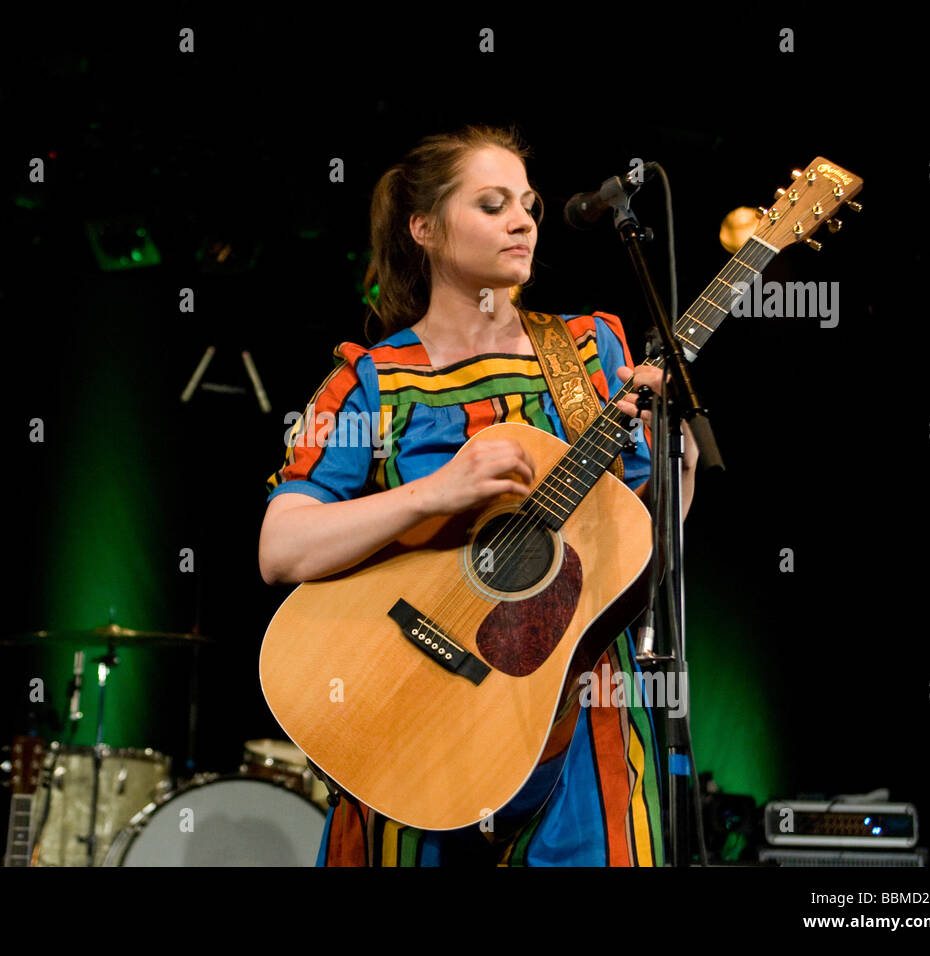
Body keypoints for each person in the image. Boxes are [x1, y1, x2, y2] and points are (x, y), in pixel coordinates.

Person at [259, 124, 699, 866]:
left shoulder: (590, 351)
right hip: (412, 725)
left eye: (526, 203)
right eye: (492, 204)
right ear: (424, 228)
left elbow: (633, 549)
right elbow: (282, 547)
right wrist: (433, 493)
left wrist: (676, 459)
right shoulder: (371, 381)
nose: (523, 220)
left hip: (583, 730)